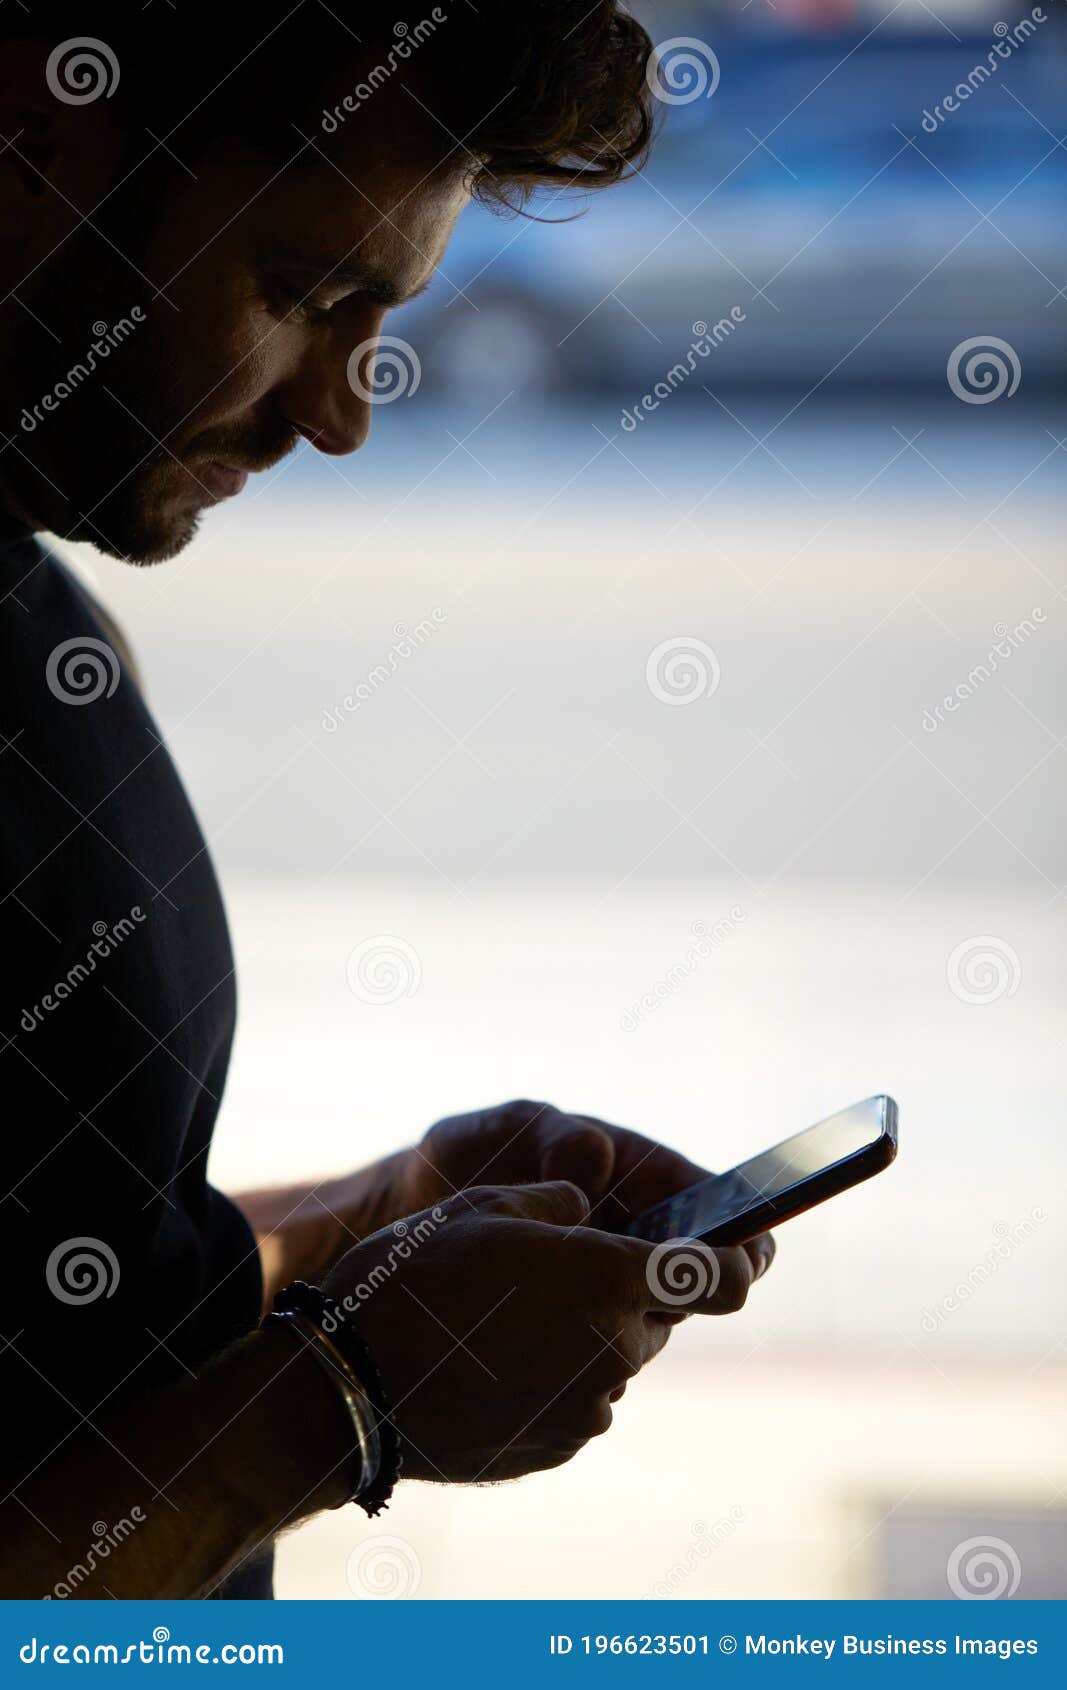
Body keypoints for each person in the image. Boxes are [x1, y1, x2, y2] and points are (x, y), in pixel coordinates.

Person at [0, 3, 774, 1599]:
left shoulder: (44, 629)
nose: (339, 414)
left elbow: (72, 1314)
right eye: (298, 291)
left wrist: (369, 1227)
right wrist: (337, 1398)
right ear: (35, 137)